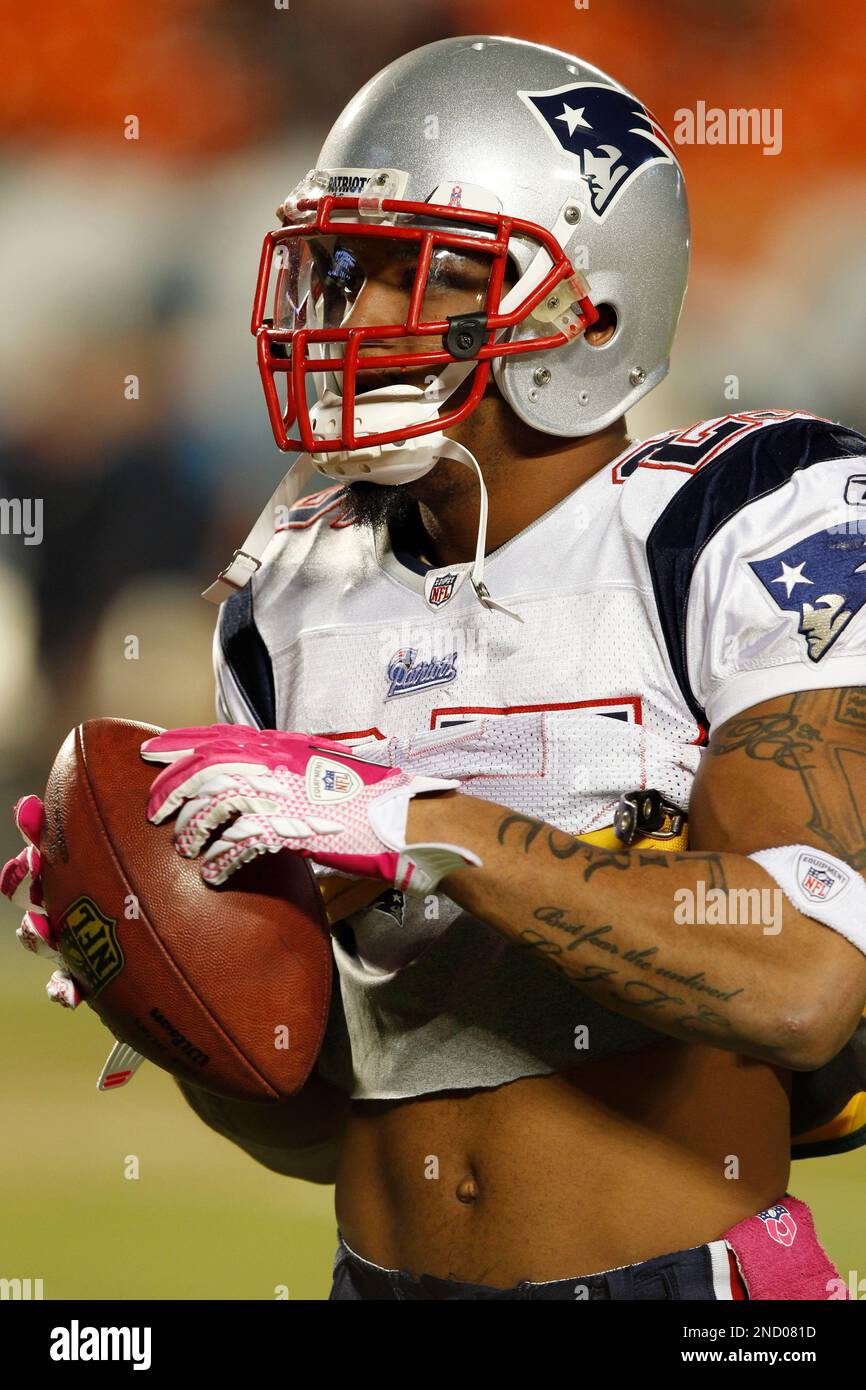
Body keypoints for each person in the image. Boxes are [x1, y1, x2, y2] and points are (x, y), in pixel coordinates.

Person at [6, 35, 866, 1301]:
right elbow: (318, 1120)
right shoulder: (294, 590)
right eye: (338, 272)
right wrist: (163, 965)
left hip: (672, 1286)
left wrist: (415, 821)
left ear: (586, 305)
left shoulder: (738, 517)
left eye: (410, 277)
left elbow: (802, 980)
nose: (344, 317)